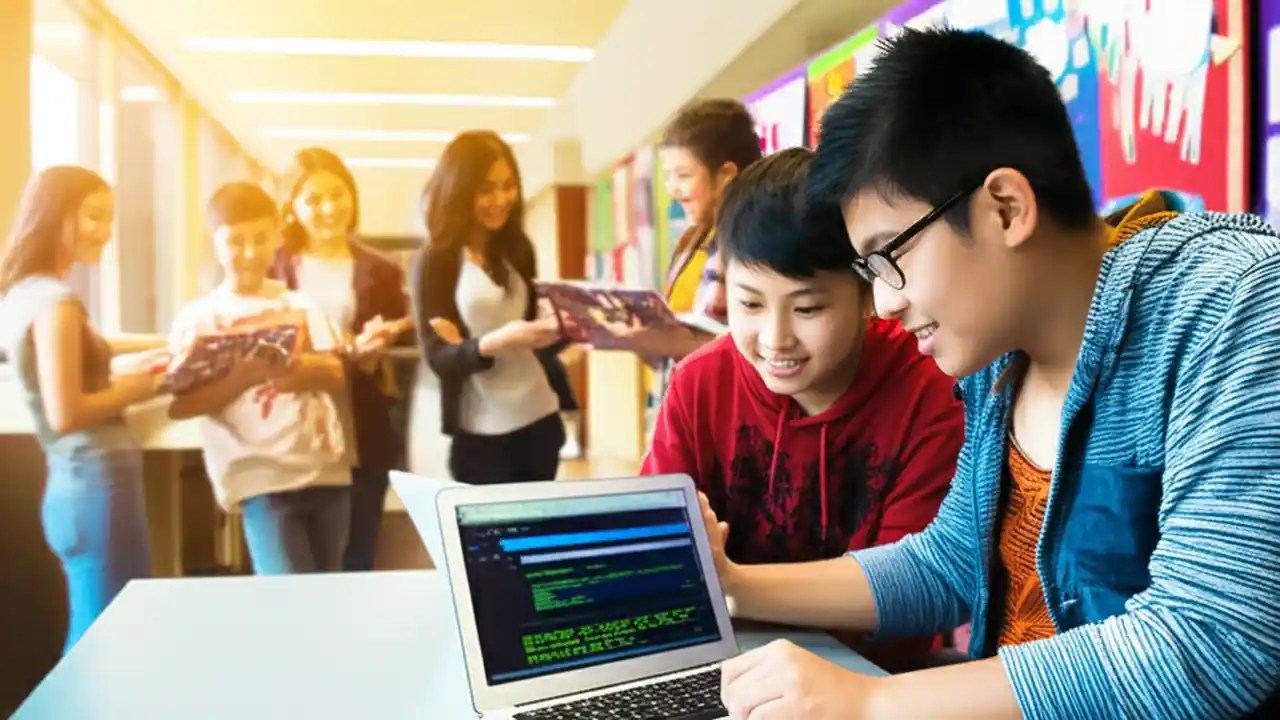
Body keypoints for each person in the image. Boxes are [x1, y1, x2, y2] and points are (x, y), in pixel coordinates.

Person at [711, 28, 1280, 719]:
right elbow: (949, 563)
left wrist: (870, 704)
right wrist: (734, 583)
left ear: (1005, 207)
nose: (885, 304)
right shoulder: (998, 358)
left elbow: (1210, 644)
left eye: (889, 257)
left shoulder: (1238, 306)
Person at [642, 148, 962, 671]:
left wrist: (729, 583)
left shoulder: (930, 390)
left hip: (874, 682)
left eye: (808, 308)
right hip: (726, 669)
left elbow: (916, 592)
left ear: (868, 294)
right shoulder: (700, 384)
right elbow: (661, 559)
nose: (775, 339)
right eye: (749, 304)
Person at [0, 166, 167, 652]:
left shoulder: (27, 293)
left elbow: (81, 346)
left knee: (97, 632)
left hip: (75, 484)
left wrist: (168, 340)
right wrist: (138, 388)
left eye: (109, 219)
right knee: (106, 641)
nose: (105, 231)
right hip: (99, 486)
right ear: (56, 215)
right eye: (94, 216)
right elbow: (66, 411)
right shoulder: (56, 301)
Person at [169, 182, 351, 575]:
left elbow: (336, 375)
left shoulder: (300, 304)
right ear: (214, 243)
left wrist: (290, 369)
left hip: (324, 472)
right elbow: (181, 404)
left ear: (278, 238)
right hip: (259, 480)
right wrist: (244, 375)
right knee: (286, 595)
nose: (250, 253)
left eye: (261, 239)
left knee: (332, 595)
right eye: (236, 241)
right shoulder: (199, 318)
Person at [271, 147, 410, 572]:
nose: (329, 208)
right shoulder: (271, 267)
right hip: (288, 425)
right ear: (292, 207)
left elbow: (397, 343)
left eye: (338, 194)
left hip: (360, 422)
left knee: (356, 554)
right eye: (313, 199)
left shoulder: (381, 269)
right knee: (299, 561)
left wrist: (383, 341)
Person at [411, 131, 576, 484]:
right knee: (489, 539)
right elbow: (439, 358)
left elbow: (533, 333)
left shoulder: (517, 248)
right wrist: (494, 342)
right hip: (481, 429)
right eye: (486, 189)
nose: (501, 199)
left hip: (539, 416)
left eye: (508, 185)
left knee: (537, 538)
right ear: (459, 190)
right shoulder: (436, 260)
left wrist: (566, 327)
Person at [619, 99, 764, 366]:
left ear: (725, 175)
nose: (672, 189)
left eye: (683, 175)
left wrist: (664, 341)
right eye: (669, 176)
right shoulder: (690, 241)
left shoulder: (758, 243)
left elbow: (752, 344)